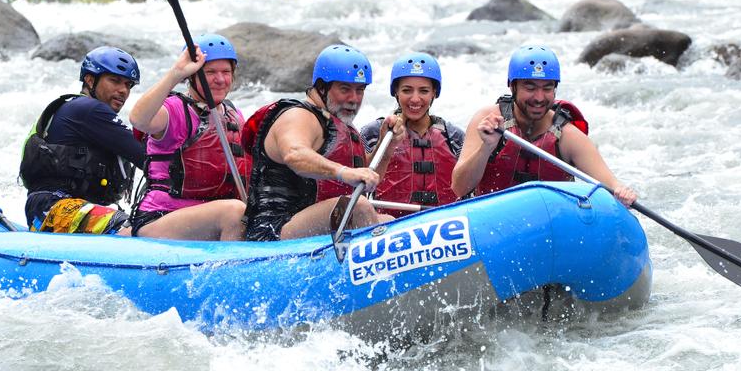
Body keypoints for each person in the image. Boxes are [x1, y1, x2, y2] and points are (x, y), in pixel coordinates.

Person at [243, 44, 403, 241]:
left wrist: (386, 147)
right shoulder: (298, 115)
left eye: (360, 90)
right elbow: (295, 154)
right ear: (321, 87)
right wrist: (344, 172)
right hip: (273, 231)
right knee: (358, 208)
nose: (354, 99)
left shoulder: (338, 123)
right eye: (345, 89)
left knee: (386, 220)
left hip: (312, 225)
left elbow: (367, 180)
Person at [451, 45, 637, 205]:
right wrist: (486, 147)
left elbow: (611, 184)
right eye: (530, 88)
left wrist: (622, 192)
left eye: (547, 88)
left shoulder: (567, 136)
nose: (539, 98)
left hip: (549, 228)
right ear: (512, 87)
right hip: (490, 223)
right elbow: (459, 188)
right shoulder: (488, 120)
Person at [127, 34, 249, 241]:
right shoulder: (175, 109)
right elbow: (138, 119)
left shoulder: (233, 115)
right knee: (235, 212)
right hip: (161, 218)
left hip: (212, 217)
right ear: (192, 75)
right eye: (210, 72)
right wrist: (176, 73)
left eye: (226, 72)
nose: (220, 80)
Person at [19, 46, 145, 234]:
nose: (123, 90)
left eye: (128, 84)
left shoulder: (79, 110)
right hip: (57, 208)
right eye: (115, 81)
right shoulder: (89, 109)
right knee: (141, 228)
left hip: (50, 208)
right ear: (90, 79)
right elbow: (146, 157)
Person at [361, 52, 464, 216]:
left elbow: (468, 186)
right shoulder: (373, 133)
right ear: (396, 92)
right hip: (388, 227)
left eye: (423, 91)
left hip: (444, 225)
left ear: (434, 93)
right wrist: (383, 143)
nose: (415, 99)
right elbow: (356, 182)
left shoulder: (454, 137)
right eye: (407, 90)